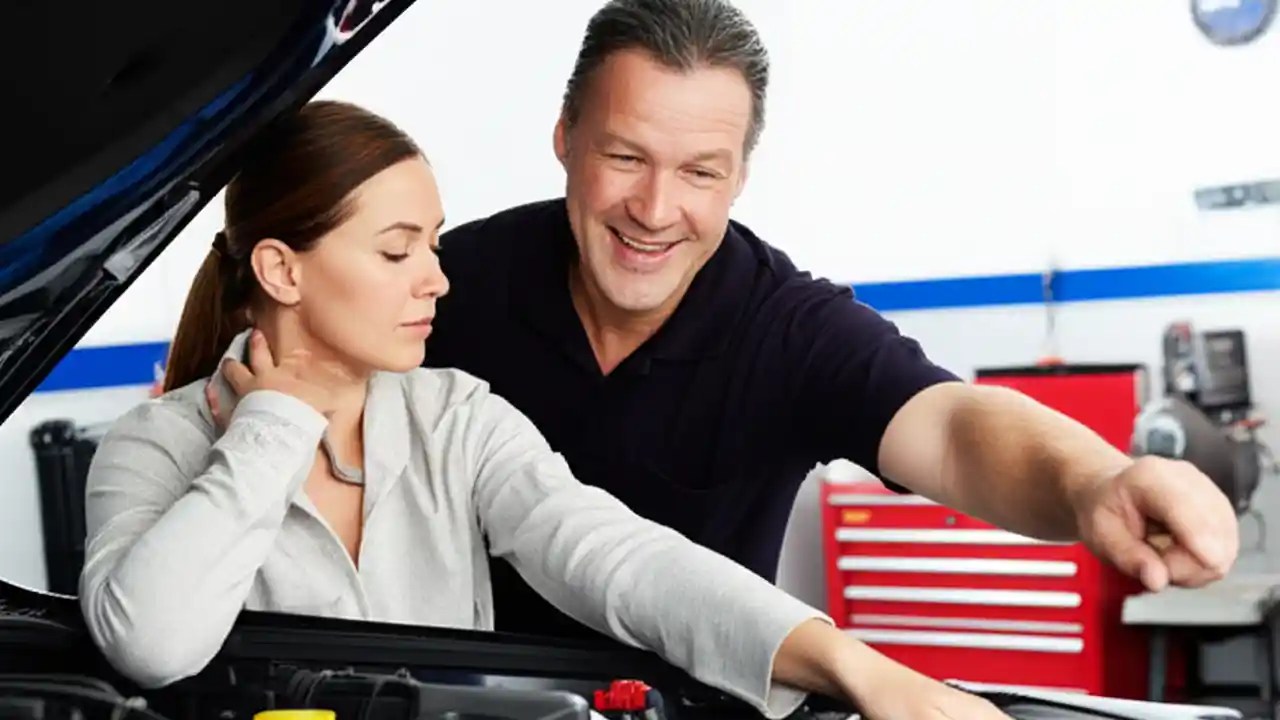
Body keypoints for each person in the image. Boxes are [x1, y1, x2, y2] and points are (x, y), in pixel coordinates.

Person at [77, 99, 1015, 720]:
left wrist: (856, 667)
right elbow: (151, 643)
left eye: (435, 245)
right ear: (283, 269)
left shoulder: (457, 419)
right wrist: (274, 428)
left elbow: (615, 556)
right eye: (398, 251)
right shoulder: (154, 448)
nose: (438, 280)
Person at [421, 0, 1240, 676]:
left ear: (740, 174)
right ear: (565, 138)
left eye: (701, 171)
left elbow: (952, 428)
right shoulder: (450, 282)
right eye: (626, 156)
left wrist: (1095, 481)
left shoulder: (786, 324)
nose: (656, 207)